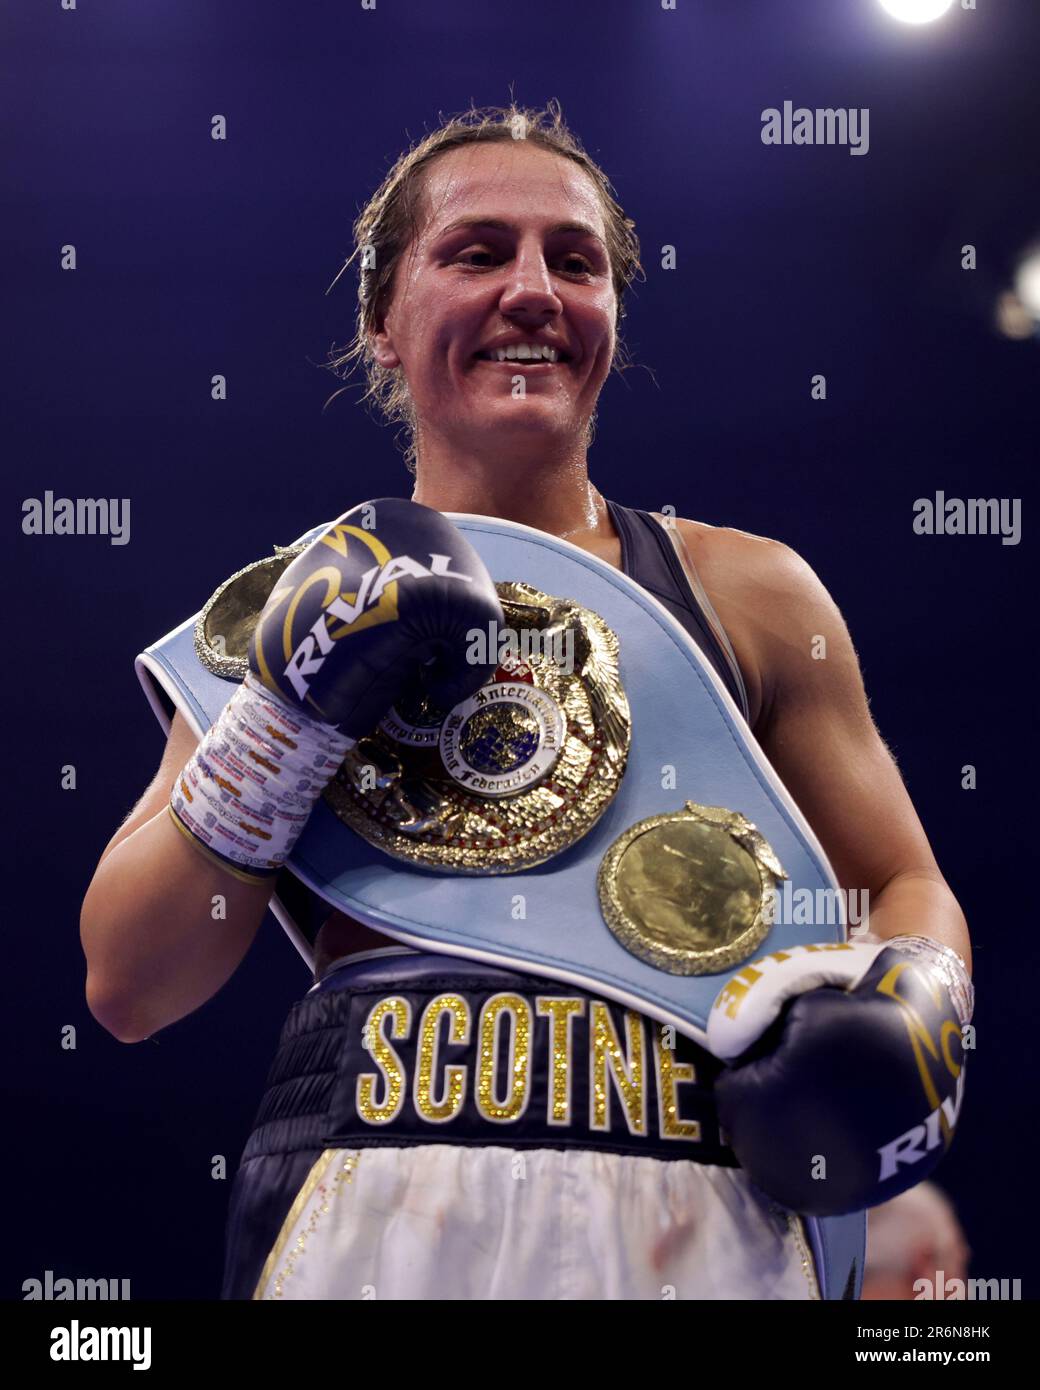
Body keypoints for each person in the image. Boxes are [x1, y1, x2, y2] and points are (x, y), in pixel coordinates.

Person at [80, 101, 973, 1300]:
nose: (534, 290)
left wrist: (917, 1002)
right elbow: (129, 984)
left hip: (700, 1206)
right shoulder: (284, 609)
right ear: (382, 322)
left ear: (610, 315)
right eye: (476, 252)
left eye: (575, 261)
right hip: (379, 1201)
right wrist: (283, 716)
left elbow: (901, 882)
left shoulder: (748, 591)